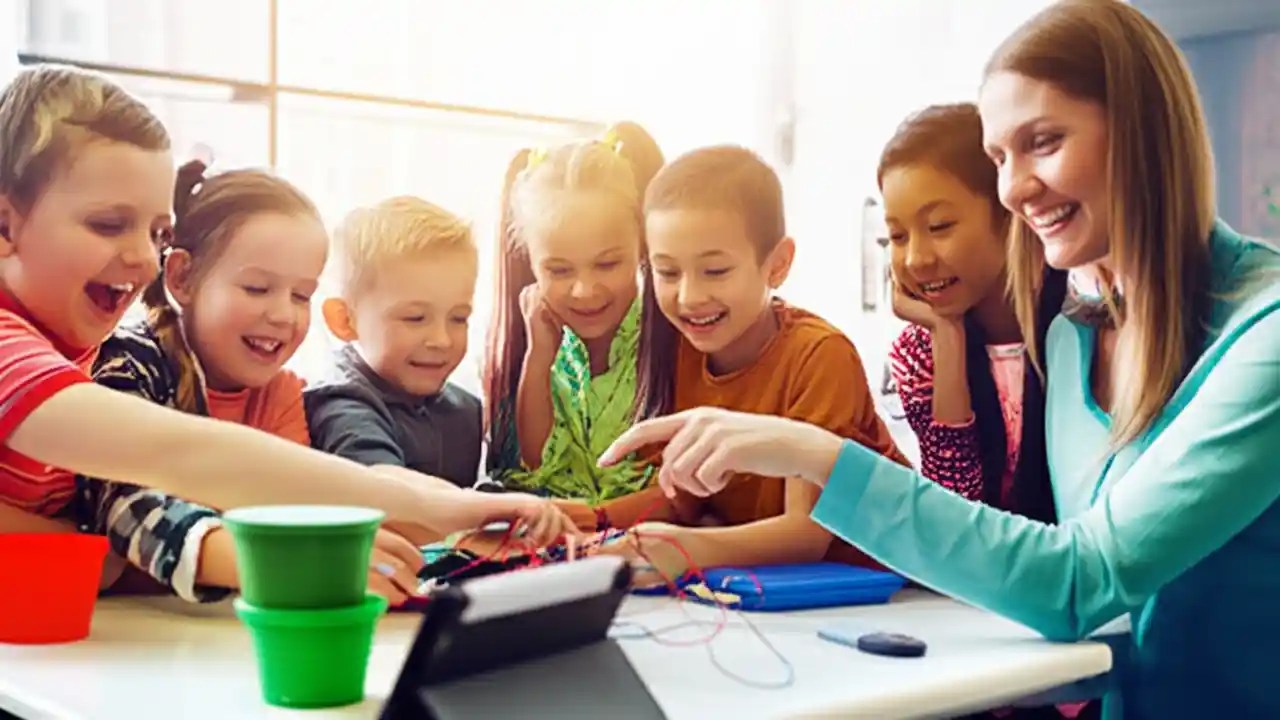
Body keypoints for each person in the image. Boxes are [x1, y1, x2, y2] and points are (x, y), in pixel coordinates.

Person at [601, 2, 1280, 717]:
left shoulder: (1263, 333)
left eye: (1043, 142)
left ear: (1144, 130)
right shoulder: (1073, 336)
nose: (1013, 188)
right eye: (998, 159)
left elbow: (1081, 579)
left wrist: (812, 454)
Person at [0, 65, 574, 549]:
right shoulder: (36, 348)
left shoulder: (82, 349)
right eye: (107, 225)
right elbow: (176, 455)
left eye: (156, 233)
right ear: (6, 225)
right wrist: (419, 506)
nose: (142, 260)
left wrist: (431, 509)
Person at [81, 163, 424, 604]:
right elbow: (127, 511)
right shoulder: (128, 365)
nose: (283, 314)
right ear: (182, 277)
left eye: (301, 295)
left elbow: (296, 507)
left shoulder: (281, 393)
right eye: (258, 288)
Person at [601, 145, 909, 582]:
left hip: (888, 594)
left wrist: (682, 547)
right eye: (667, 273)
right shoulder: (681, 351)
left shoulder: (820, 355)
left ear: (778, 265)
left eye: (715, 271)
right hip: (768, 594)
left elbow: (807, 536)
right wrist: (581, 524)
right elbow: (683, 500)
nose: (688, 297)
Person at [881, 102, 1066, 522]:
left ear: (1008, 215)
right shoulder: (917, 353)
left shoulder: (1083, 322)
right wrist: (946, 335)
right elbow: (952, 515)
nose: (915, 259)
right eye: (896, 235)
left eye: (940, 226)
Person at [482, 123, 664, 507]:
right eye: (559, 271)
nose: (584, 290)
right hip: (559, 532)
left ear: (642, 246)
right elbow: (535, 462)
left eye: (608, 264)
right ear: (530, 263)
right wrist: (539, 356)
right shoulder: (540, 340)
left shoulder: (666, 333)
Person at [306, 196, 484, 490]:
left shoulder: (466, 410)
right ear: (344, 320)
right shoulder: (340, 404)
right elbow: (387, 493)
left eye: (458, 318)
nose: (441, 339)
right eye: (415, 318)